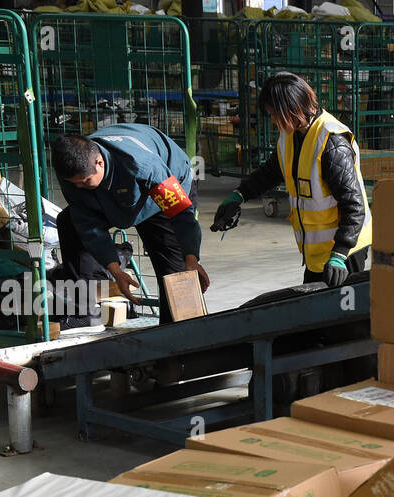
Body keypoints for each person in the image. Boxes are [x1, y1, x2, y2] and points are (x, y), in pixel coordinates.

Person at [212, 72, 370, 287]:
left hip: (345, 253)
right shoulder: (291, 135)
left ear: (291, 109)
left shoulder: (332, 143)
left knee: (342, 313)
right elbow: (271, 171)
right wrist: (239, 196)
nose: (273, 121)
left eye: (274, 114)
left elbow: (354, 206)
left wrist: (340, 253)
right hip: (318, 253)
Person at [51, 125, 207, 324]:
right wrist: (116, 271)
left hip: (160, 194)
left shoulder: (142, 165)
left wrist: (191, 258)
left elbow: (179, 212)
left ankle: (180, 333)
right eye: (75, 183)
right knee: (69, 223)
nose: (78, 187)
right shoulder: (73, 176)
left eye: (84, 181)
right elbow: (88, 225)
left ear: (99, 162)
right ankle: (82, 314)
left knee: (175, 273)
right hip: (117, 197)